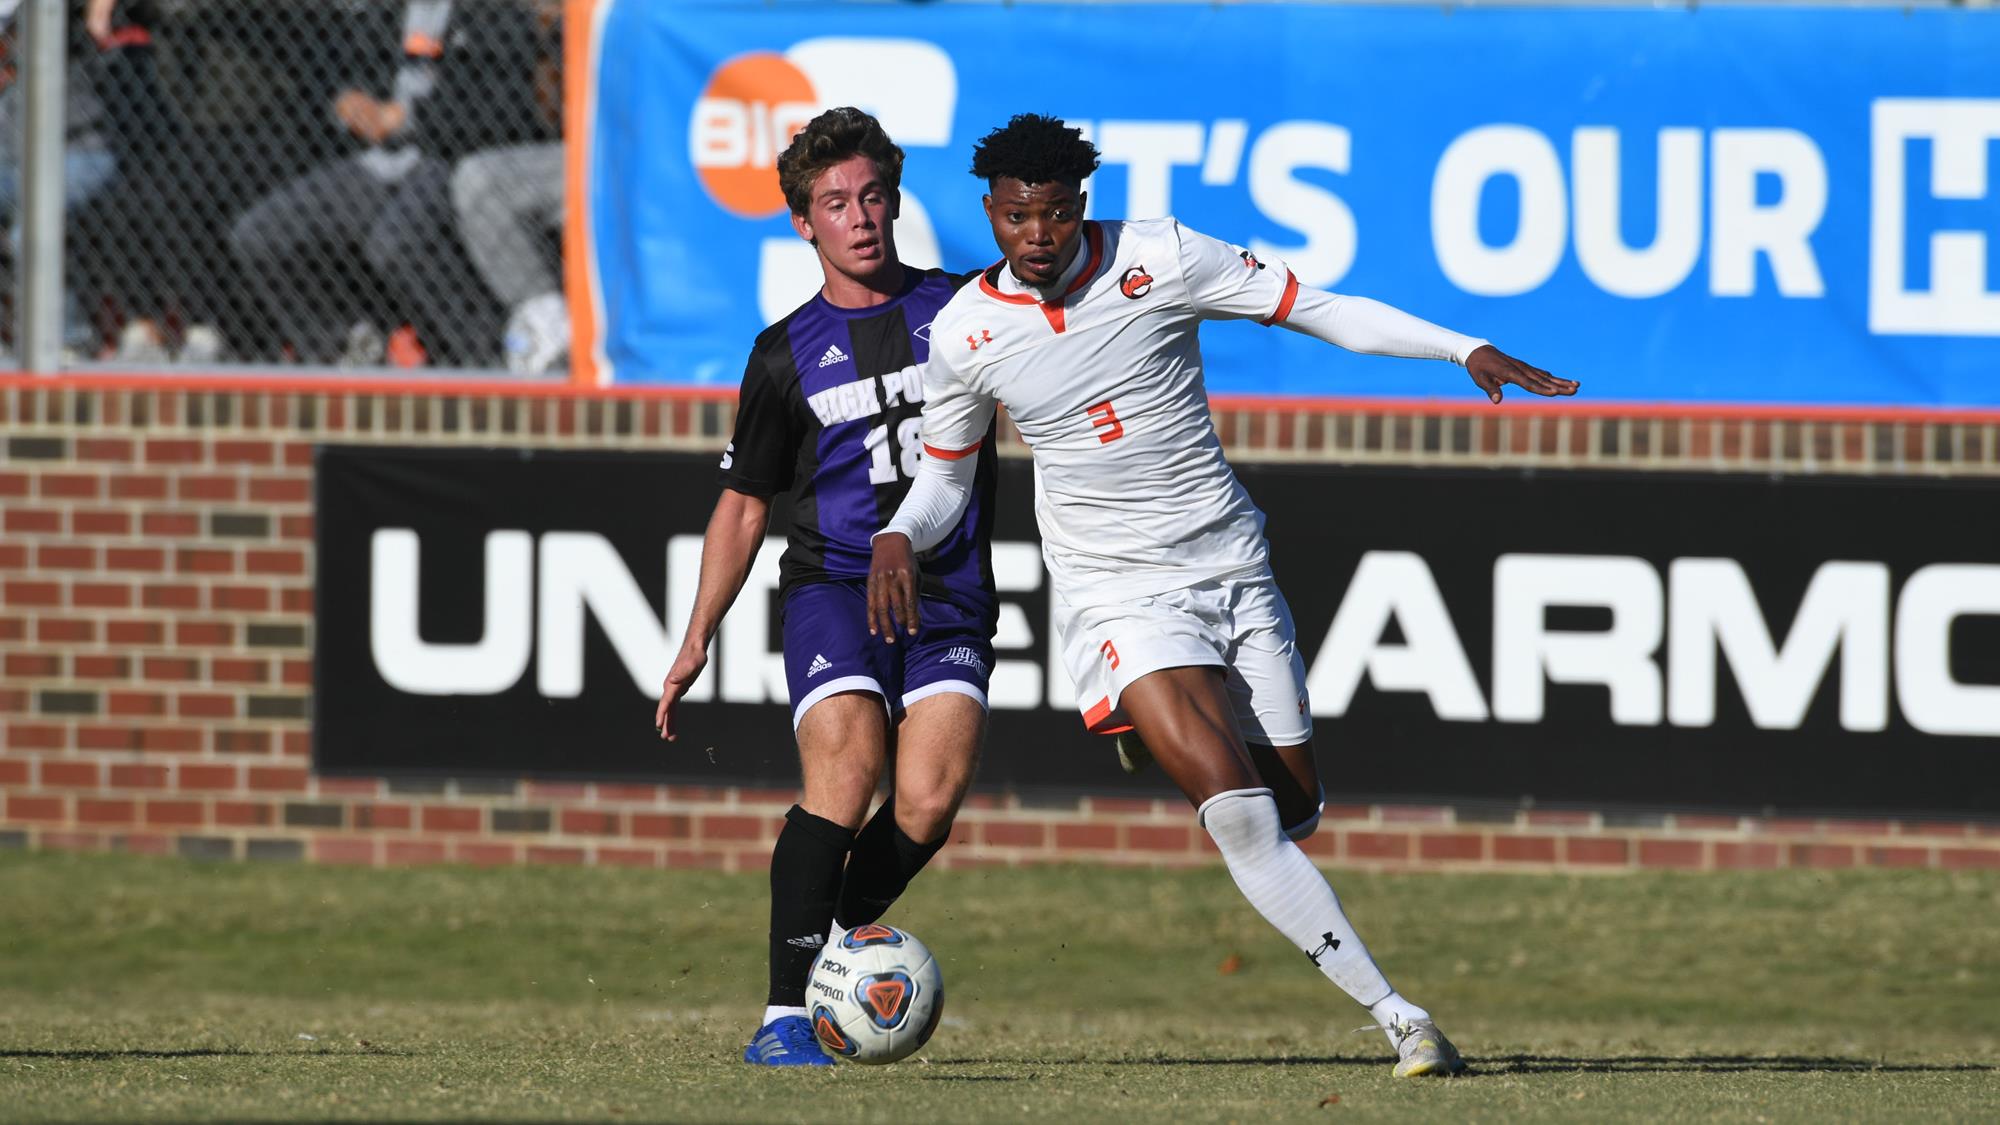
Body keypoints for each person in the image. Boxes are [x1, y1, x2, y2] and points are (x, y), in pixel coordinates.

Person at [868, 114, 1579, 1079]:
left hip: (1230, 562)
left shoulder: (1163, 255)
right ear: (988, 212)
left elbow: (1320, 307)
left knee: (1294, 807)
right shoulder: (963, 333)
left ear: (1081, 205)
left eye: (1054, 213)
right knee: (1236, 809)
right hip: (1116, 588)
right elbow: (947, 478)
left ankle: (1153, 726)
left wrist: (1462, 349)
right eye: (1014, 216)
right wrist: (899, 533)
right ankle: (1401, 1017)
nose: (1036, 235)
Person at [652, 107, 998, 1068]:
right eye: (835, 203)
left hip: (949, 591)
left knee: (926, 802)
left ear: (894, 199)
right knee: (845, 779)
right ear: (804, 223)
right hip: (833, 589)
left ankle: (826, 949)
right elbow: (744, 505)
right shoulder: (783, 352)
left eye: (873, 196)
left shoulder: (964, 309)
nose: (860, 217)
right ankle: (781, 1017)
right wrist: (697, 636)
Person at [228, 0, 548, 367]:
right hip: (380, 163)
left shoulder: (493, 12)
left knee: (396, 241)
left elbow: (500, 110)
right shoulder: (386, 10)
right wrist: (346, 101)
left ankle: (487, 362)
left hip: (450, 158)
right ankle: (346, 351)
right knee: (260, 235)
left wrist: (407, 119)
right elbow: (342, 70)